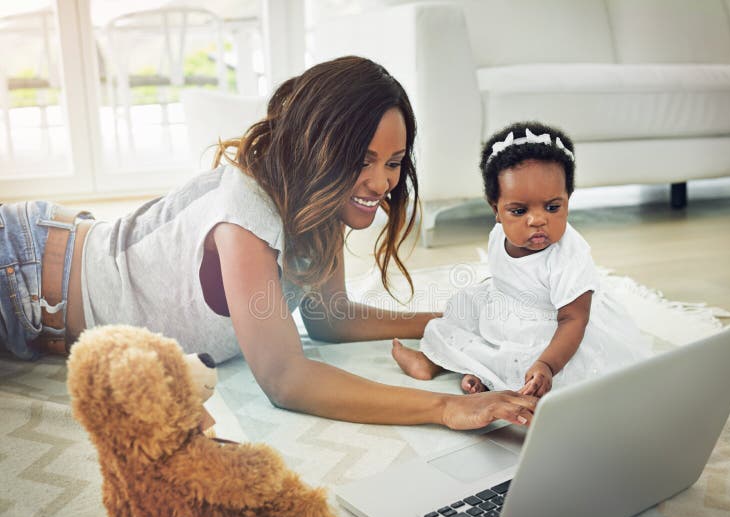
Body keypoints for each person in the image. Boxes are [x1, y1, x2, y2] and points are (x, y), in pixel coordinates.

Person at [0, 56, 537, 430]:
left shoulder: (321, 206)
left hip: (49, 293)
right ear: (318, 148)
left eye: (393, 163)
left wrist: (447, 319)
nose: (381, 183)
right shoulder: (248, 211)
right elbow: (285, 378)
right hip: (23, 269)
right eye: (363, 160)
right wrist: (444, 410)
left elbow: (331, 317)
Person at [392, 121, 651, 397]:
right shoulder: (497, 235)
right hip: (507, 309)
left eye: (553, 207)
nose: (538, 220)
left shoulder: (569, 254)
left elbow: (574, 319)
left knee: (531, 362)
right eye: (518, 211)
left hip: (559, 328)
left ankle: (489, 375)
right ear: (497, 210)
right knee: (461, 317)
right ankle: (433, 361)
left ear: (568, 200)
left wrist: (548, 365)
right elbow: (505, 281)